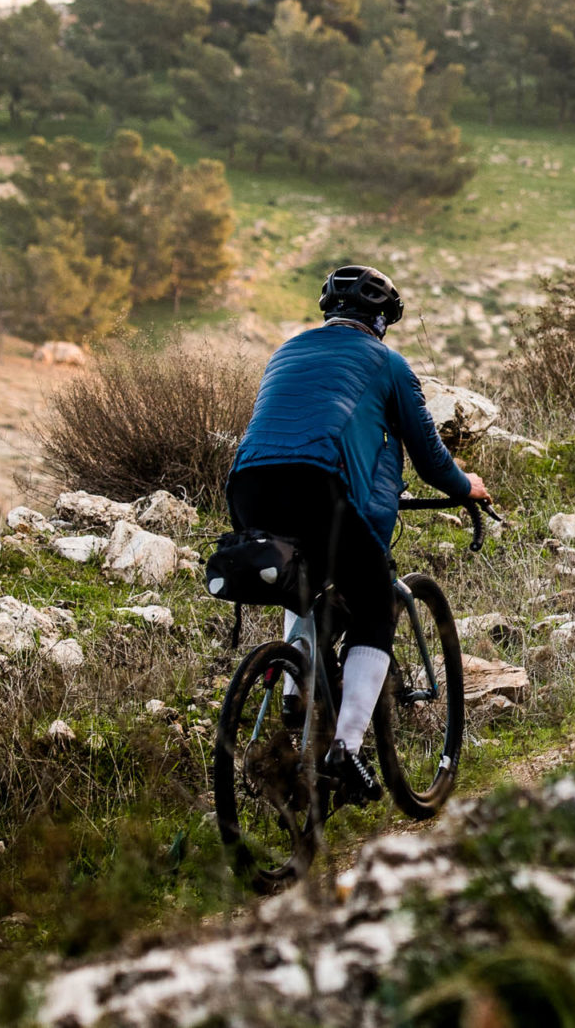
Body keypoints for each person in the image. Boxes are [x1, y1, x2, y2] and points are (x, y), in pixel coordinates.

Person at [225, 265, 488, 803]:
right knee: (372, 607)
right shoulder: (387, 363)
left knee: (304, 577)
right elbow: (430, 455)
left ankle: (297, 694)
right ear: (383, 320)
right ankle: (345, 750)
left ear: (329, 312)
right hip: (318, 484)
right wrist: (467, 487)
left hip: (248, 487)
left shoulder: (287, 352)